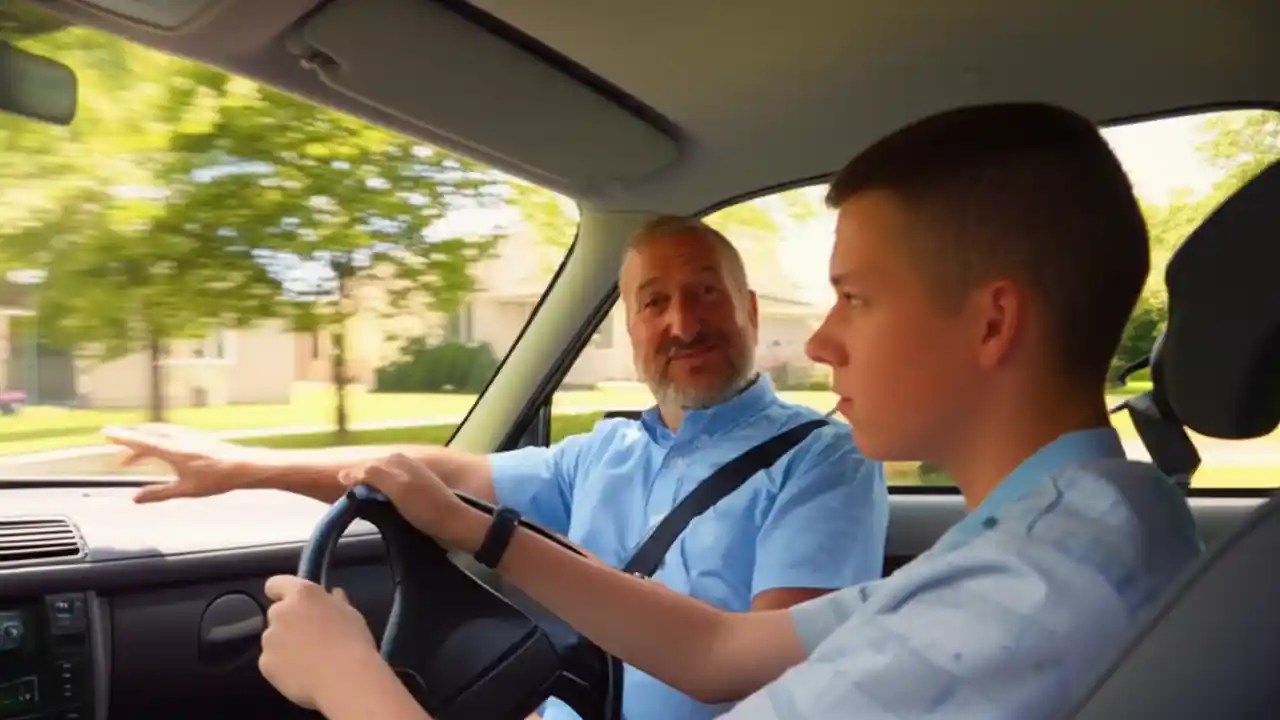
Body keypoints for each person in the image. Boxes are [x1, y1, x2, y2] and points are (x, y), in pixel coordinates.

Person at [254, 101, 1205, 720]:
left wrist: (351, 685)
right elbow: (718, 652)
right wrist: (479, 532)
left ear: (992, 320)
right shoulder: (1062, 536)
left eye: (857, 298)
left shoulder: (1025, 603)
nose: (824, 341)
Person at [106, 217, 887, 720]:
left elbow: (770, 684)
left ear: (750, 309)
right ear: (631, 327)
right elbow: (438, 474)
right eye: (655, 303)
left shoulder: (824, 457)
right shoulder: (600, 453)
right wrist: (245, 466)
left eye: (706, 294)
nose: (682, 322)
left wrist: (349, 680)